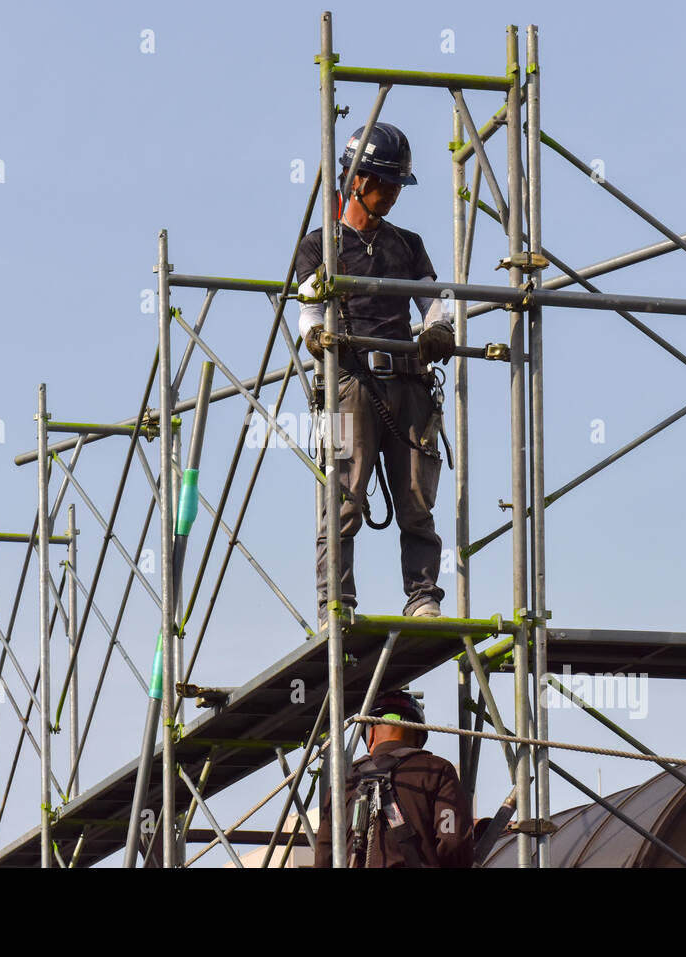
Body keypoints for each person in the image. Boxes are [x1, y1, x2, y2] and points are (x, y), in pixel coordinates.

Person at [295, 122, 455, 632]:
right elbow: (310, 313)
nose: (391, 195)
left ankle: (423, 596)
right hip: (351, 385)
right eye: (385, 184)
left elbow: (436, 302)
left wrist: (437, 329)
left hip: (406, 383)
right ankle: (335, 605)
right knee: (343, 499)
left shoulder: (407, 245)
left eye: (396, 186)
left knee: (415, 498)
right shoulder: (319, 245)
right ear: (356, 179)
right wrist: (318, 338)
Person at [313, 690, 473, 867]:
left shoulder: (344, 782)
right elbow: (453, 842)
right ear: (419, 735)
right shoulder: (437, 770)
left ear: (370, 734)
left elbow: (324, 855)